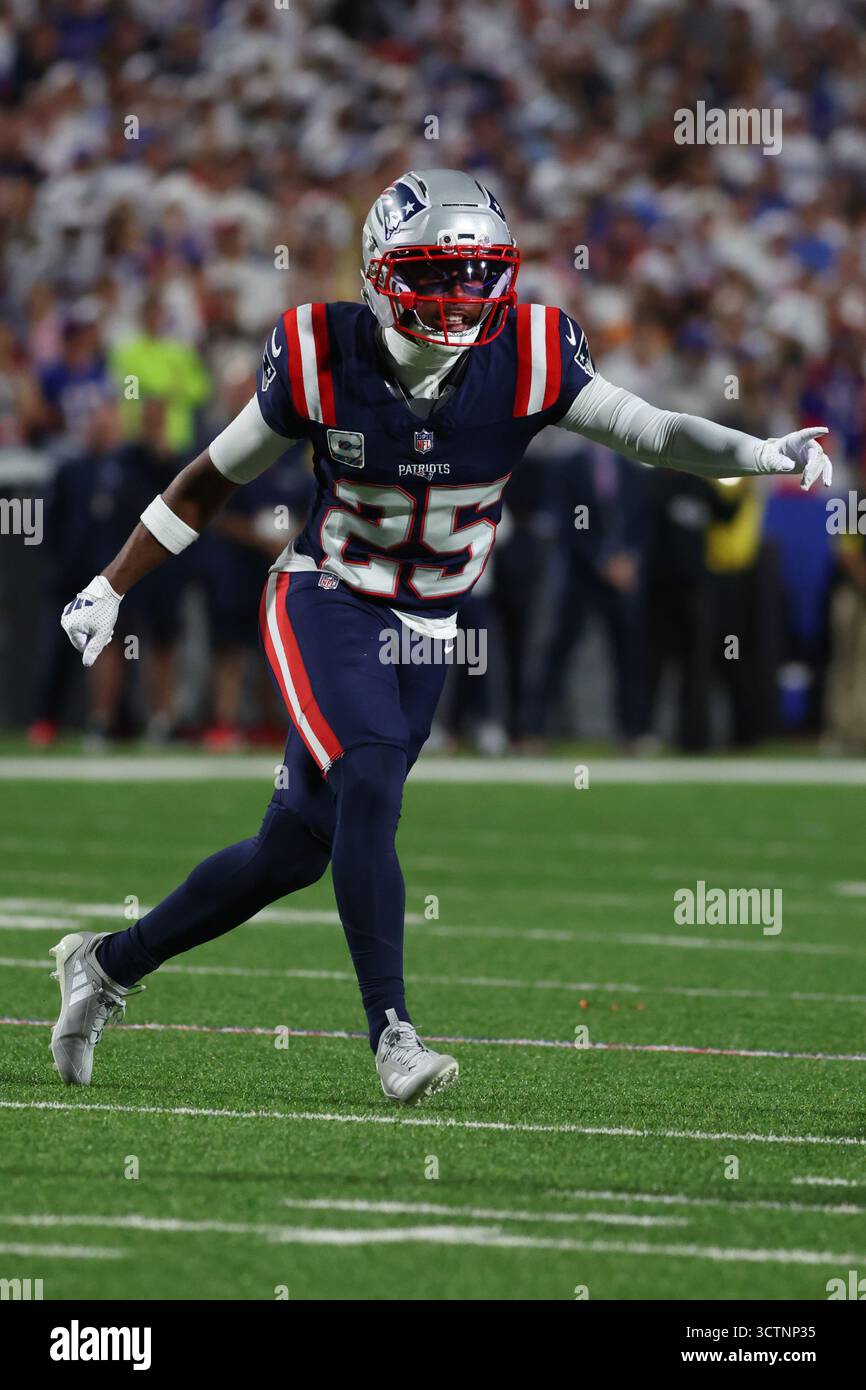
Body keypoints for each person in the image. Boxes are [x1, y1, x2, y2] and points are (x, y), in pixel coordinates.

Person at [50, 169, 833, 1104]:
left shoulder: (536, 351)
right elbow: (208, 483)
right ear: (383, 272)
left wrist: (758, 454)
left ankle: (106, 964)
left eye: (477, 273)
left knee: (297, 848)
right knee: (372, 772)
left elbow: (653, 431)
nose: (460, 296)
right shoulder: (317, 352)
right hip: (327, 595)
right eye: (435, 272)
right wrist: (111, 583)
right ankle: (393, 1035)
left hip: (429, 628)